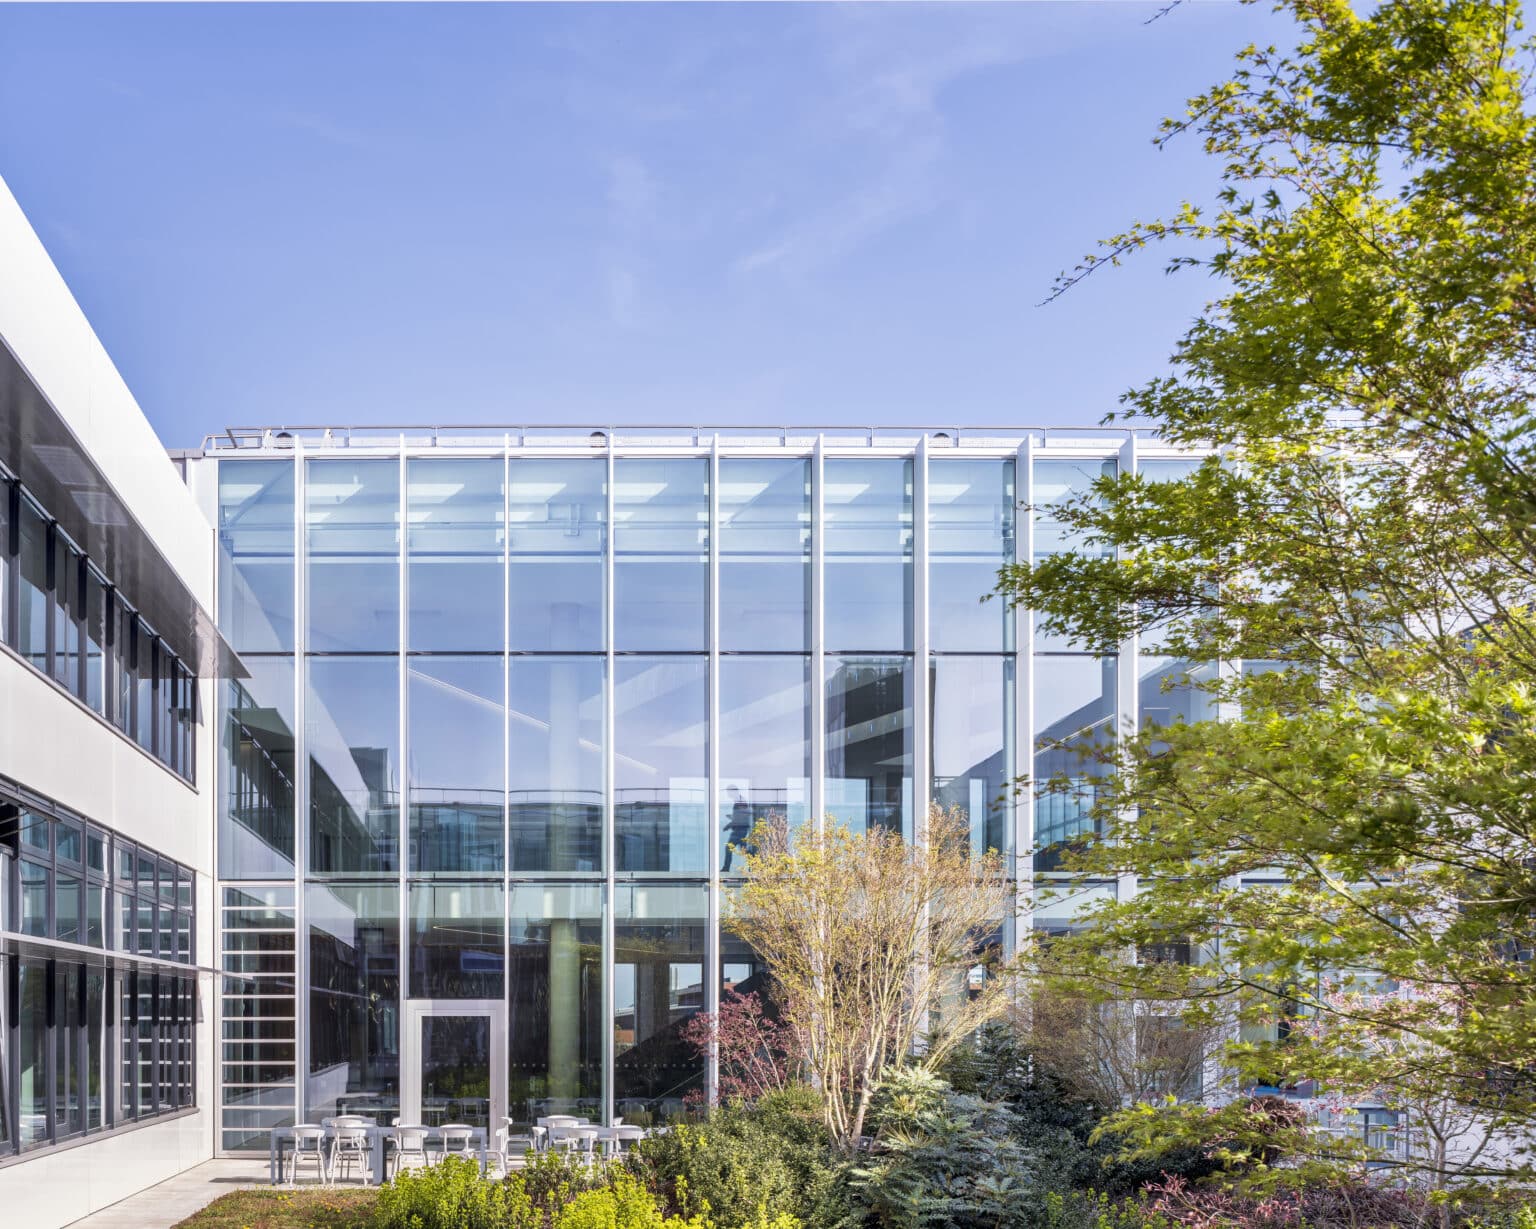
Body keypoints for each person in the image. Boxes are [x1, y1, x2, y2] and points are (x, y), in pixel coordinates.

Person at [721, 787, 753, 872]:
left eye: (729, 793)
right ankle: (753, 865)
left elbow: (740, 819)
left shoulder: (740, 802)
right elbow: (740, 817)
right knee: (744, 850)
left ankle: (726, 868)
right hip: (741, 830)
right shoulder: (740, 801)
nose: (728, 795)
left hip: (739, 830)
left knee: (729, 848)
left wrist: (728, 825)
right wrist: (732, 817)